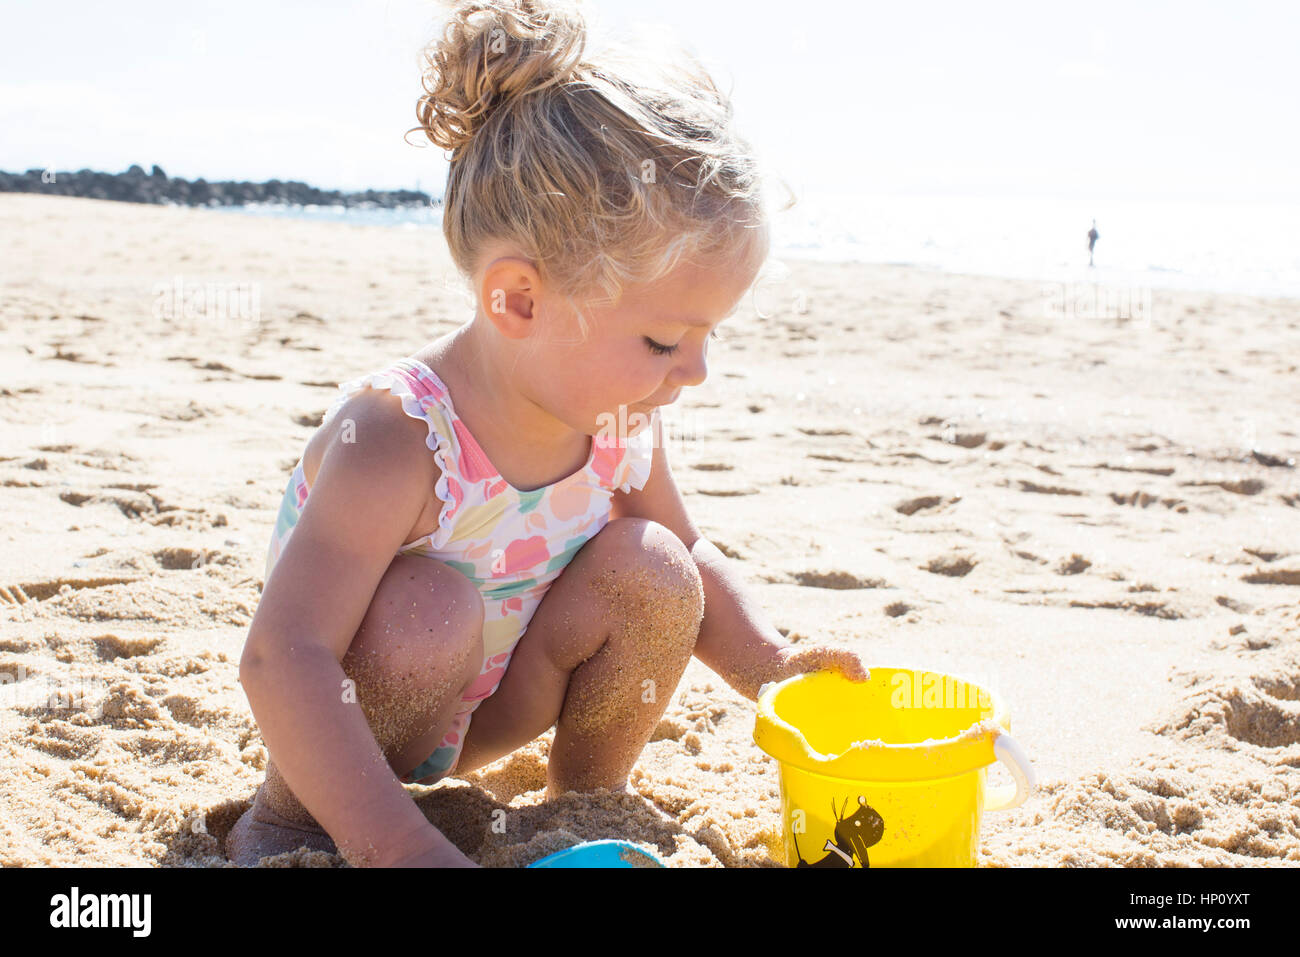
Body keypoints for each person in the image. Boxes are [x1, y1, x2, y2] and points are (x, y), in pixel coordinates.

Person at [226, 0, 868, 868]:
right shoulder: (397, 435)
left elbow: (689, 551)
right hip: (365, 708)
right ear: (519, 300)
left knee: (655, 566)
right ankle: (292, 815)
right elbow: (283, 655)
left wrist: (770, 663)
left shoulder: (616, 420)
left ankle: (588, 798)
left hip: (499, 703)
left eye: (707, 337)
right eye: (663, 341)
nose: (695, 372)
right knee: (429, 606)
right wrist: (396, 844)